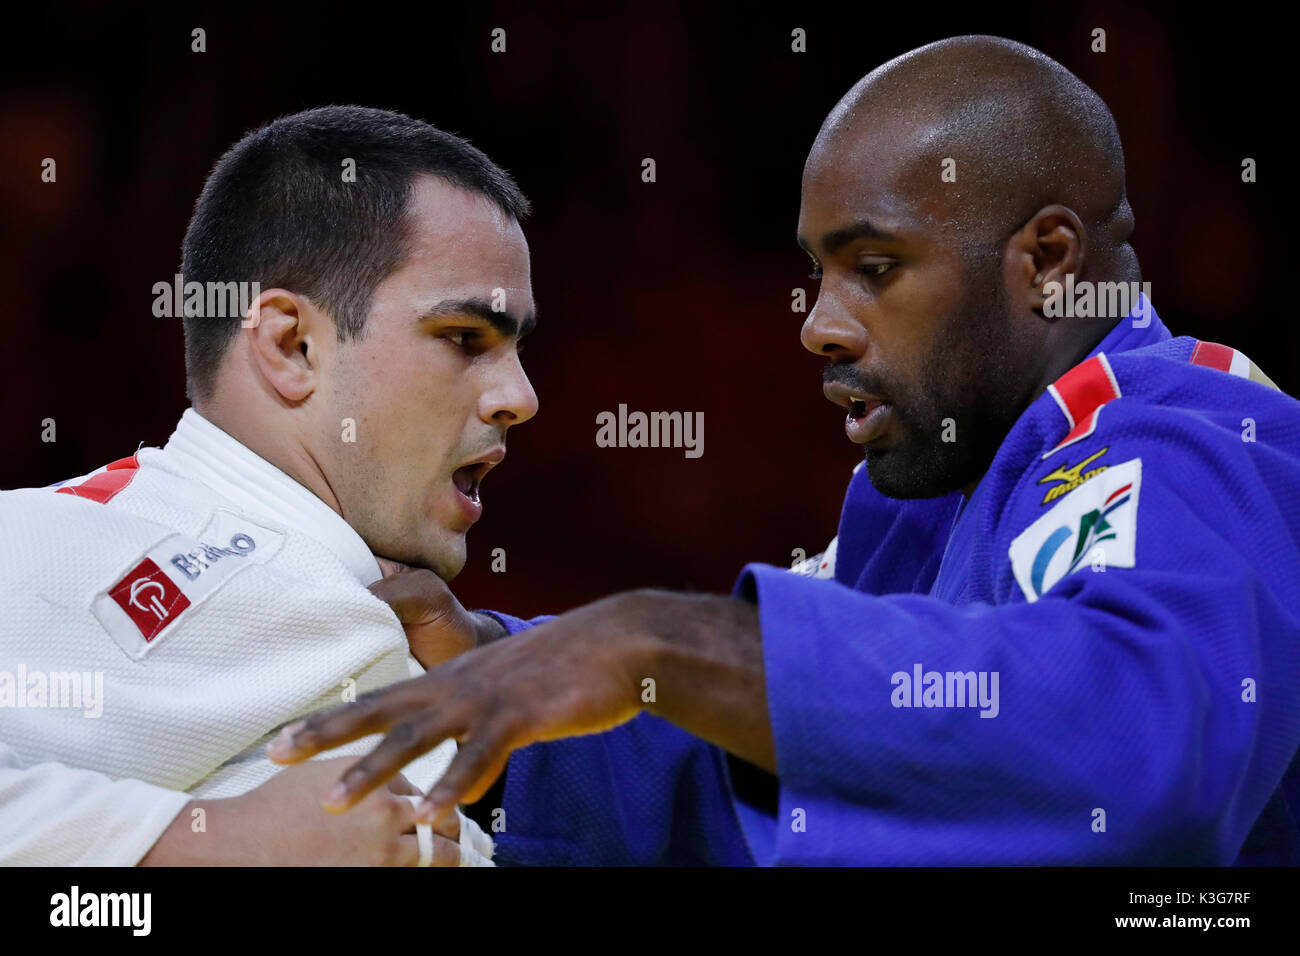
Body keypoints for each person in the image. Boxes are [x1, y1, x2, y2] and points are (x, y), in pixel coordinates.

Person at [271, 37, 1300, 865]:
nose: (819, 325)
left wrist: (659, 643)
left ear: (1044, 262)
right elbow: (788, 791)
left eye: (875, 265)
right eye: (818, 270)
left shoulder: (1181, 434)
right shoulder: (946, 487)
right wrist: (502, 671)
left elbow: (1133, 752)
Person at [0, 105, 531, 865]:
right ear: (292, 345)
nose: (521, 396)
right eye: (463, 338)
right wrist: (203, 848)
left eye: (514, 347)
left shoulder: (364, 610)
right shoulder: (69, 553)